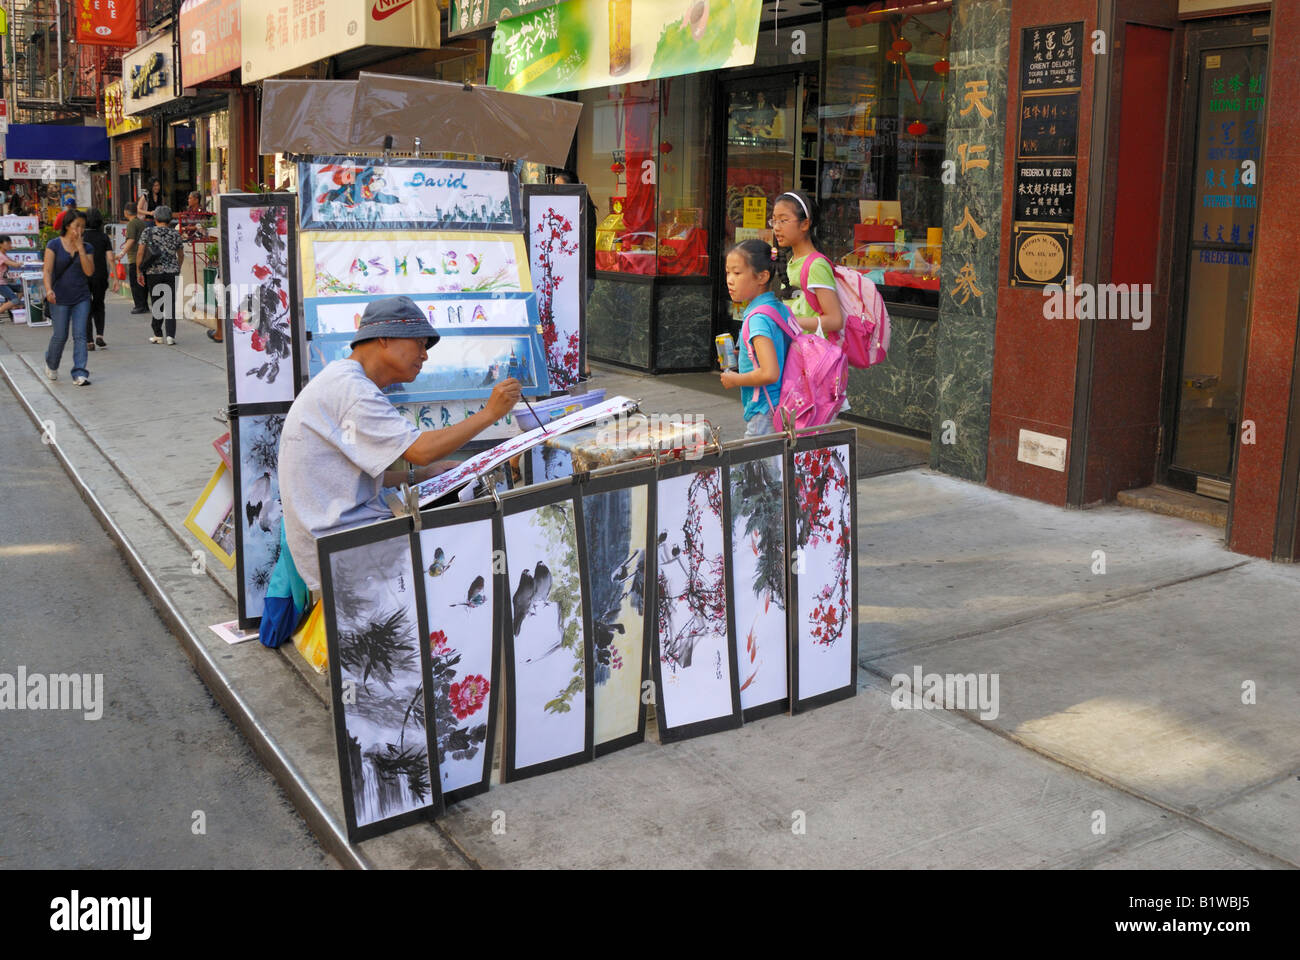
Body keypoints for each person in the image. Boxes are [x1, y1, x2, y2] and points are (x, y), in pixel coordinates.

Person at [278, 295, 523, 592]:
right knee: (475, 549)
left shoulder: (344, 380)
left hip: (339, 538)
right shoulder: (351, 390)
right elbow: (421, 451)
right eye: (419, 344)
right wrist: (490, 413)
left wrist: (418, 477)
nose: (425, 355)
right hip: (346, 552)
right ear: (383, 338)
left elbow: (345, 473)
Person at [718, 239, 792, 437]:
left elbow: (770, 373)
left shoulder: (757, 319)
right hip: (783, 404)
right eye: (728, 272)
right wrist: (743, 354)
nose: (730, 280)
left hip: (764, 410)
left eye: (737, 273)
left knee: (759, 467)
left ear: (762, 277)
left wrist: (736, 380)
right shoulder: (779, 308)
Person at [769, 189, 843, 337]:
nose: (776, 227)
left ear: (805, 224)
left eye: (783, 220)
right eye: (774, 220)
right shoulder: (792, 261)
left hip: (814, 355)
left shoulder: (816, 265)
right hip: (796, 354)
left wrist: (789, 321)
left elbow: (835, 320)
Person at [42, 211, 96, 386]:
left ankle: (80, 372)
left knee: (80, 335)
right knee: (60, 335)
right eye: (76, 226)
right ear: (67, 226)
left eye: (82, 226)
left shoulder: (87, 247)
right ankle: (51, 363)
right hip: (59, 297)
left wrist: (80, 248)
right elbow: (48, 270)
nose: (80, 230)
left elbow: (89, 272)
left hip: (81, 297)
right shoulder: (54, 245)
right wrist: (48, 290)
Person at [553, 169, 596, 380]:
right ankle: (578, 364)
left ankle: (583, 365)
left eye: (560, 186)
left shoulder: (580, 210)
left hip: (581, 274)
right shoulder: (578, 208)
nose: (556, 191)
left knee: (577, 320)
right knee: (575, 319)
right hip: (577, 274)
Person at [137, 205, 185, 344]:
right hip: (172, 272)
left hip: (154, 272)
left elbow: (140, 252)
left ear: (155, 218)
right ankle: (170, 336)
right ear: (170, 219)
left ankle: (158, 335)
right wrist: (177, 267)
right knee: (170, 303)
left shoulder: (148, 231)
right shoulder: (175, 234)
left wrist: (139, 271)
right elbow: (180, 255)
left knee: (157, 302)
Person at [82, 209, 114, 349]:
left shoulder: (81, 237)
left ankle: (89, 341)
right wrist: (116, 279)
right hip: (100, 275)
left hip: (84, 275)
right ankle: (99, 335)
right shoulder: (103, 237)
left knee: (86, 307)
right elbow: (110, 258)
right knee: (99, 304)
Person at [121, 202, 149, 314]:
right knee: (143, 282)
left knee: (135, 282)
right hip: (144, 257)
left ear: (126, 212)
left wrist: (122, 253)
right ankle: (145, 305)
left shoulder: (132, 224)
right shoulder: (141, 223)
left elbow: (131, 240)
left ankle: (139, 305)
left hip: (135, 257)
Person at [0, 235, 26, 315]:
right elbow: (15, 265)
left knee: (22, 288)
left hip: (5, 282)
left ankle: (14, 306)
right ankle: (14, 304)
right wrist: (27, 263)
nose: (9, 245)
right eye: (7, 243)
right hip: (1, 284)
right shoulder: (1, 256)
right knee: (14, 300)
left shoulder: (4, 255)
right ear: (0, 244)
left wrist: (31, 261)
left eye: (10, 243)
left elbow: (15, 262)